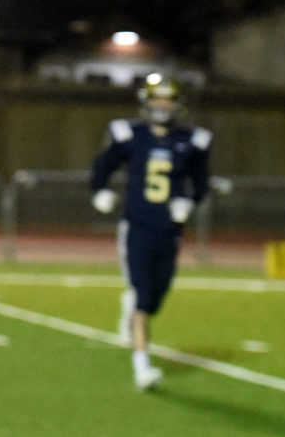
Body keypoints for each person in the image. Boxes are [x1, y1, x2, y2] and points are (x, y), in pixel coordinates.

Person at [89, 72, 213, 391]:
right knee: (144, 300)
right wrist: (99, 190)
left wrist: (188, 200)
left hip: (169, 230)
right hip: (137, 225)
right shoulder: (130, 134)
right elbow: (102, 167)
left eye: (168, 100)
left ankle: (131, 307)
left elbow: (200, 182)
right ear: (147, 102)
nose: (163, 105)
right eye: (158, 99)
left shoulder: (192, 141)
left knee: (157, 297)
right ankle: (142, 367)